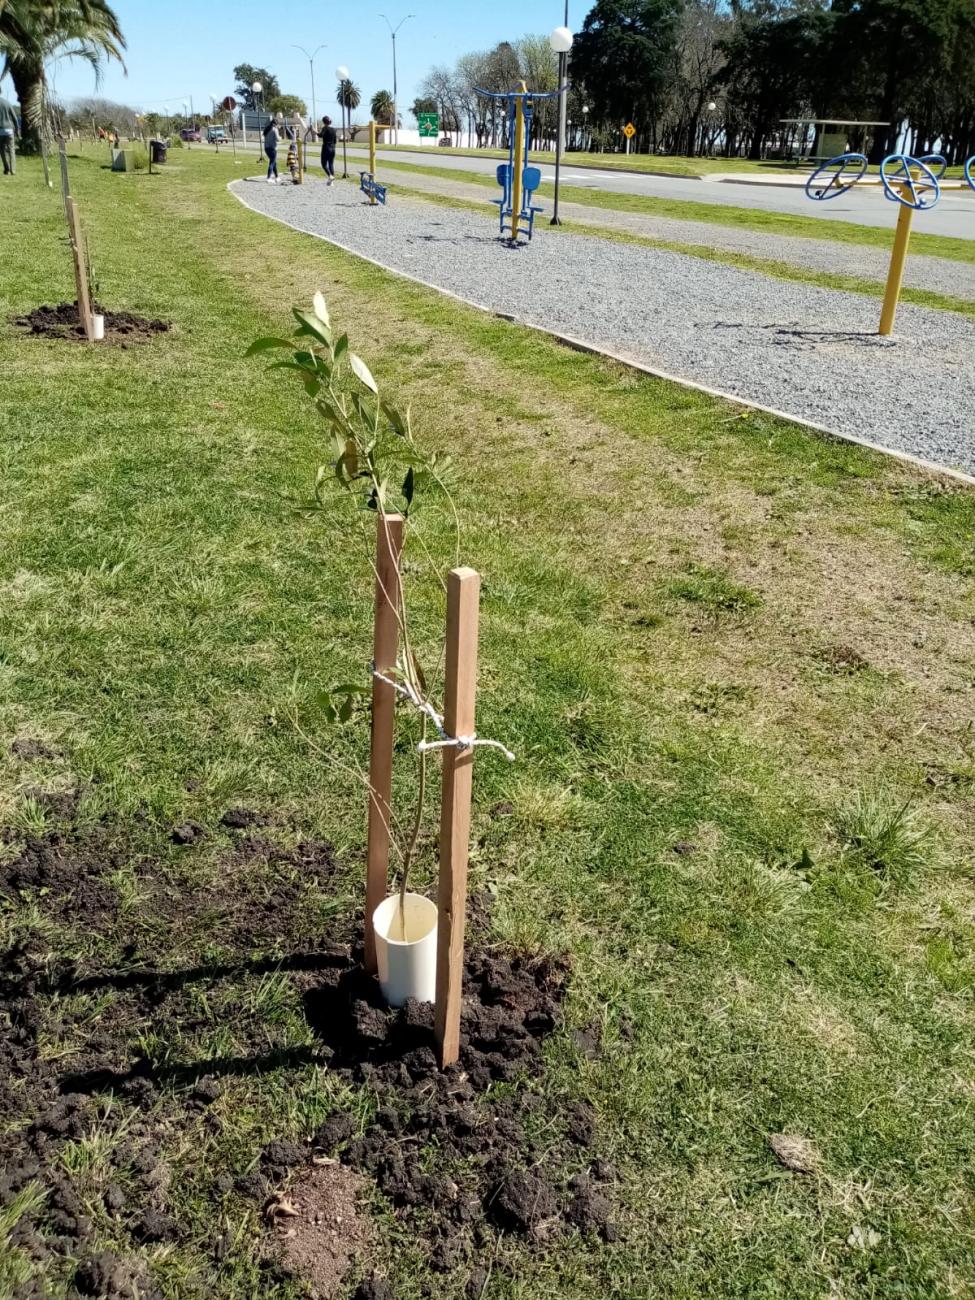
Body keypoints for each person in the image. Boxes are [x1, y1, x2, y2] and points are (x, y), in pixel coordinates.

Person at [0, 93, 19, 176]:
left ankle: (6, 169)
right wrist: (17, 130)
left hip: (0, 129)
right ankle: (13, 170)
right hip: (9, 129)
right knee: (11, 150)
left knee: (2, 150)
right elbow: (15, 118)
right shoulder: (7, 103)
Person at [263, 112, 283, 184]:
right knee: (272, 163)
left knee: (274, 163)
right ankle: (268, 178)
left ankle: (277, 177)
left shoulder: (267, 129)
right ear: (275, 124)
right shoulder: (275, 130)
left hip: (266, 148)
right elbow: (278, 139)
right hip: (273, 149)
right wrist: (281, 136)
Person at [317, 115, 337, 185]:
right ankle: (331, 181)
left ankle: (330, 176)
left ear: (324, 122)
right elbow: (335, 141)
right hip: (333, 148)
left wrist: (315, 131)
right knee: (331, 164)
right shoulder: (334, 129)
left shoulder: (325, 128)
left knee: (324, 164)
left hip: (326, 148)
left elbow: (320, 135)